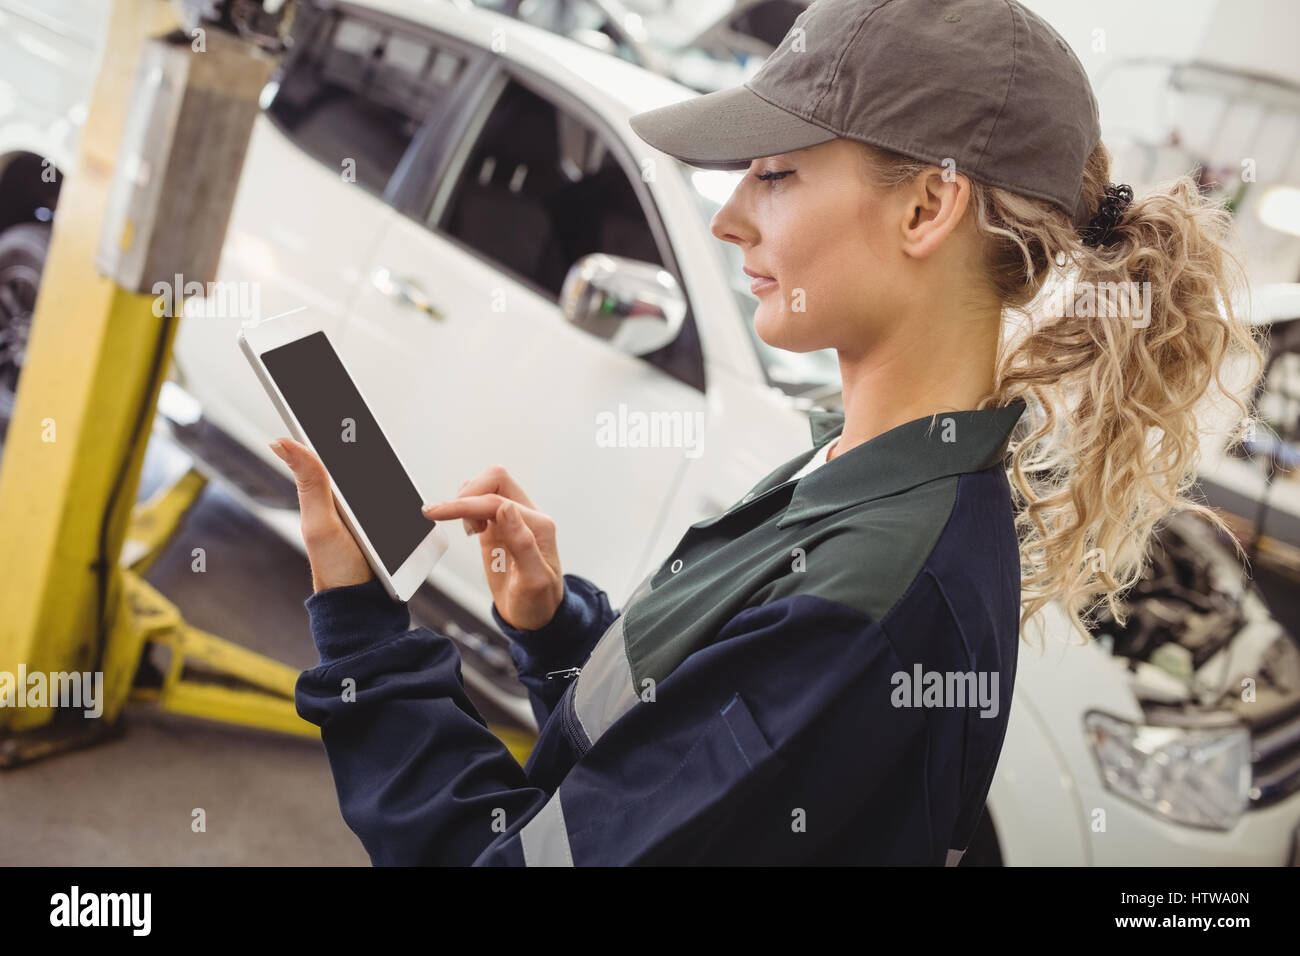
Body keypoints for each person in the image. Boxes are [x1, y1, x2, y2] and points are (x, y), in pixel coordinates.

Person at [271, 0, 1264, 865]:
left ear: (926, 205)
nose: (729, 218)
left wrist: (362, 632)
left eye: (776, 175)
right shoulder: (860, 468)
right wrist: (554, 629)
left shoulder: (871, 598)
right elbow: (674, 765)